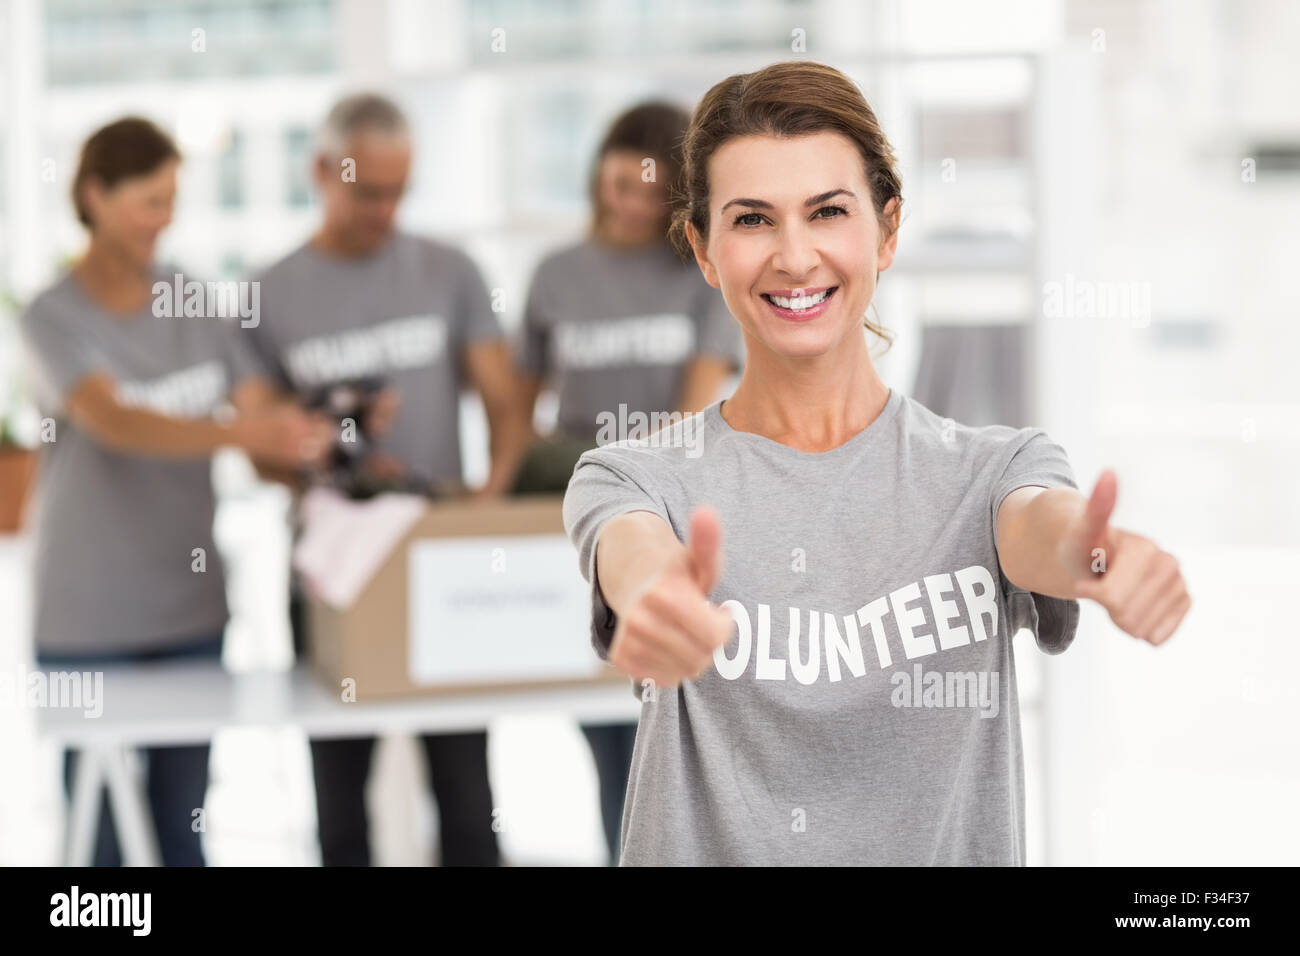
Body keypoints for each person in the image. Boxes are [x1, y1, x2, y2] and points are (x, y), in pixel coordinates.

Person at [561, 60, 1192, 866]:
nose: (794, 257)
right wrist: (654, 596)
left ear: (888, 231)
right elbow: (634, 551)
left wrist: (1097, 555)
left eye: (828, 212)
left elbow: (1042, 524)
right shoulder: (634, 476)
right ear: (703, 249)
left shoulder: (991, 470)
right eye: (752, 220)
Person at [19, 116, 332, 866]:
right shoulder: (51, 317)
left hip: (189, 607)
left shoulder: (188, 296)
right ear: (94, 195)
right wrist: (246, 434)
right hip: (87, 620)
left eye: (171, 200)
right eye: (148, 201)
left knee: (185, 825)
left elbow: (255, 398)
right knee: (98, 837)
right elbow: (114, 420)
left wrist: (301, 428)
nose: (165, 219)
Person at [244, 93, 532, 867]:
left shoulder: (450, 270)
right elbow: (260, 452)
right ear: (320, 172)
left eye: (399, 190)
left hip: (440, 560)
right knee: (340, 805)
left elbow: (506, 404)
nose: (384, 208)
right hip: (331, 564)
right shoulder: (268, 293)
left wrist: (487, 501)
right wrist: (342, 437)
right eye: (366, 190)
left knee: (469, 800)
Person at [510, 101, 743, 865]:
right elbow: (518, 416)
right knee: (604, 723)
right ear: (598, 173)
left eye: (655, 192)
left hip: (673, 511)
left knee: (672, 721)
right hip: (584, 524)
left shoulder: (700, 276)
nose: (636, 203)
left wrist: (639, 480)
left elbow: (699, 406)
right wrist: (490, 495)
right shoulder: (555, 275)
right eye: (622, 184)